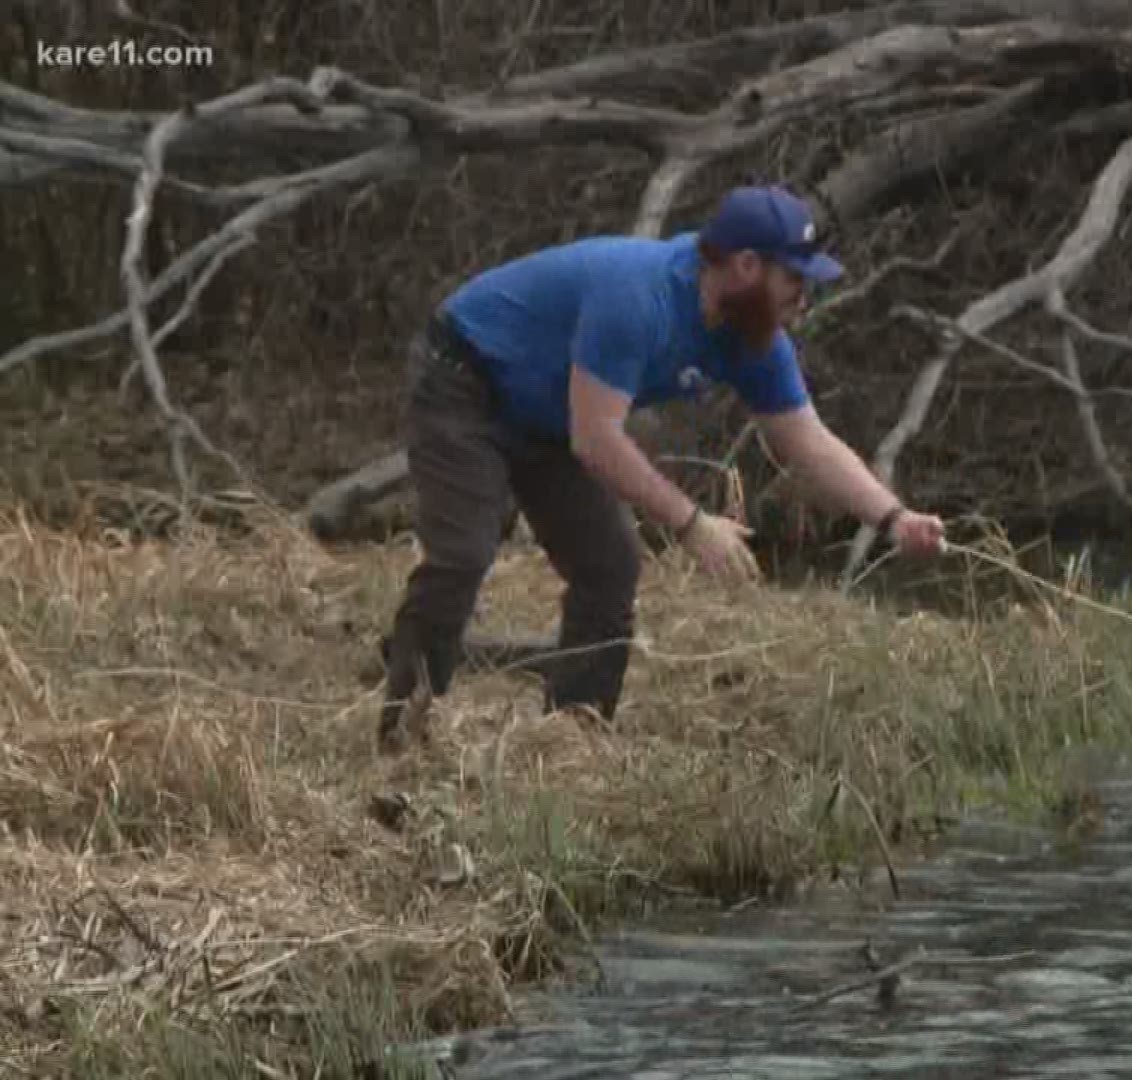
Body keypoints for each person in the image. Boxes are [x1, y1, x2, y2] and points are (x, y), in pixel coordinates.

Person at [377, 183, 946, 750]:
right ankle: (402, 736)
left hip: (551, 415)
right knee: (464, 554)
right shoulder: (638, 297)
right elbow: (597, 439)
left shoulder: (754, 338)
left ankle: (572, 739)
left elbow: (808, 441)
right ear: (746, 266)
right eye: (794, 280)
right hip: (466, 379)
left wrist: (894, 520)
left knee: (611, 566)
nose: (805, 299)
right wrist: (693, 524)